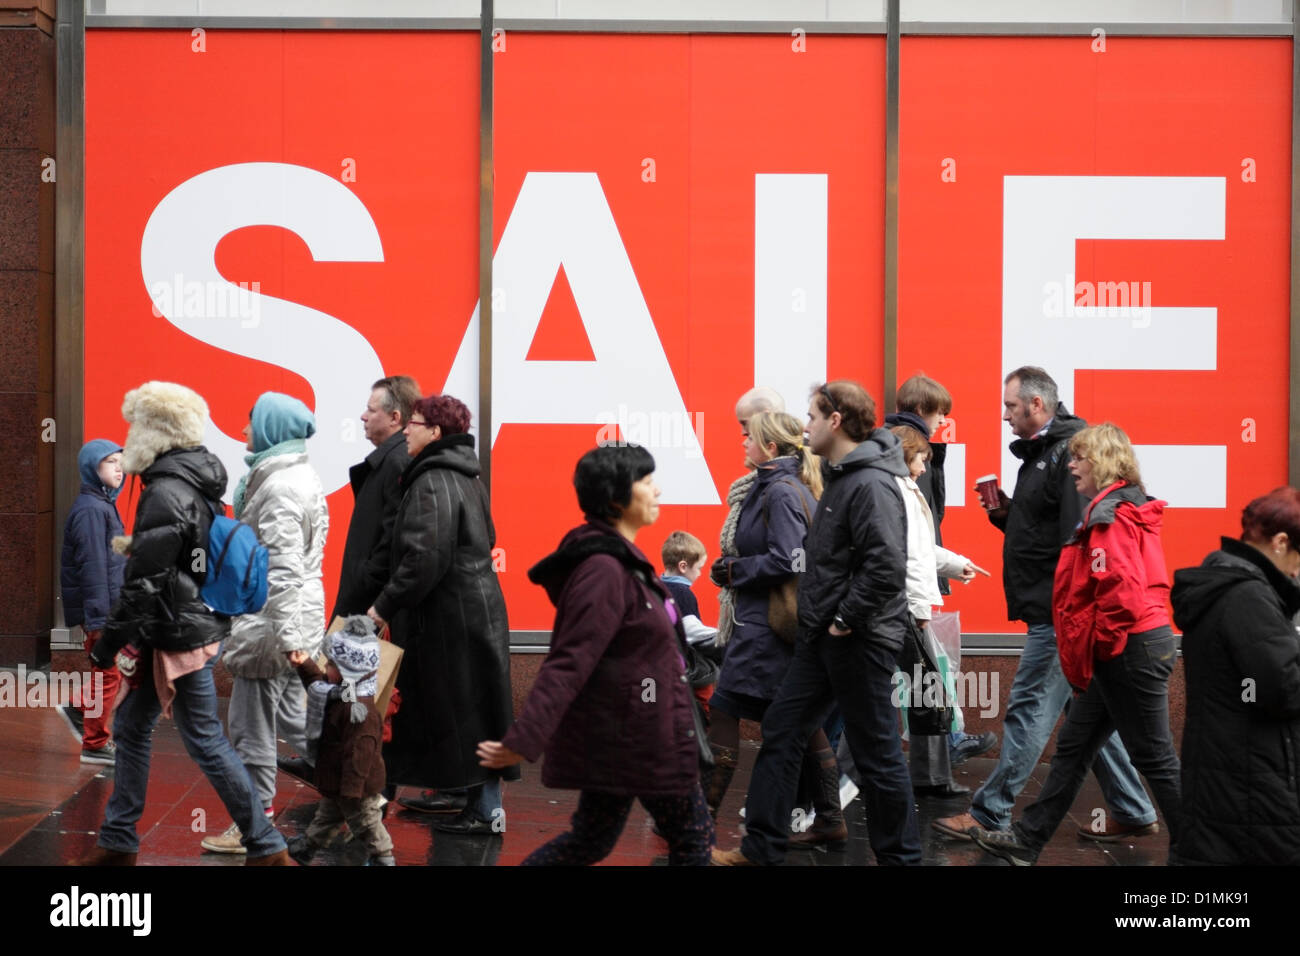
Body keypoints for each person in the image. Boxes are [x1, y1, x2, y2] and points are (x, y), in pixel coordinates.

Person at [935, 367, 1157, 843]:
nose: (1005, 415)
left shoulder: (1066, 453)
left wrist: (1071, 613)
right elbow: (1046, 532)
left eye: (1011, 406)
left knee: (1030, 707)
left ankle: (991, 811)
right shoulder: (1043, 456)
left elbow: (1077, 543)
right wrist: (1006, 514)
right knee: (1086, 718)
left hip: (1060, 614)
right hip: (1055, 609)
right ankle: (1133, 808)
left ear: (1037, 405)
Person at [74, 381, 288, 865]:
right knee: (132, 725)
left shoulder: (165, 490)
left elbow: (144, 582)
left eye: (138, 428)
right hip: (176, 627)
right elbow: (179, 562)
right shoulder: (192, 480)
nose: (130, 440)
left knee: (205, 740)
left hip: (173, 630)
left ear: (157, 432)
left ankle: (267, 845)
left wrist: (108, 645)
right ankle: (117, 841)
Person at [712, 381, 921, 866]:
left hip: (858, 640)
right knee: (783, 731)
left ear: (836, 421)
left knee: (879, 756)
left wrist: (845, 620)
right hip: (821, 640)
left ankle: (903, 860)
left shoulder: (869, 484)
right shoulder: (841, 476)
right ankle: (761, 848)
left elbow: (885, 566)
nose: (803, 426)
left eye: (811, 416)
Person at [476, 443, 714, 865]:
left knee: (590, 841)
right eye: (646, 481)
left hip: (637, 733)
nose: (657, 491)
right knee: (692, 843)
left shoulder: (623, 563)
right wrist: (524, 739)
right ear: (616, 496)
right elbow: (568, 662)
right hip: (640, 737)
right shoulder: (604, 570)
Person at [971, 424, 1181, 865]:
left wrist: (1098, 649)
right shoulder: (1122, 504)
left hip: (1127, 649)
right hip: (1127, 647)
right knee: (1073, 749)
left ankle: (1201, 846)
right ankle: (1027, 841)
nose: (1072, 465)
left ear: (1101, 461)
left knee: (1155, 756)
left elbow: (1119, 594)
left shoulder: (1108, 515)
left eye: (1080, 458)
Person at [368, 393, 517, 835]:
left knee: (459, 708)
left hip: (450, 619)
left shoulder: (432, 479)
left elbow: (423, 559)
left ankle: (485, 811)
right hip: (475, 610)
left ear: (434, 432)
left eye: (413, 423)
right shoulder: (466, 476)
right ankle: (474, 800)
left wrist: (383, 606)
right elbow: (487, 535)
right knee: (473, 707)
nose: (406, 430)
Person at [704, 410, 843, 848]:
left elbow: (787, 559)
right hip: (769, 629)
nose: (742, 442)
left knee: (726, 709)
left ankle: (700, 821)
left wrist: (733, 570)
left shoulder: (780, 491)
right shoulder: (782, 486)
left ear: (770, 447)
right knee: (799, 723)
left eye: (750, 437)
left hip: (767, 632)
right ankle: (830, 820)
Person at [202, 391, 328, 854]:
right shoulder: (296, 475)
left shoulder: (278, 487)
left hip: (271, 627)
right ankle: (360, 790)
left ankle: (255, 825)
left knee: (251, 729)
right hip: (287, 622)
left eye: (252, 422)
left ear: (272, 428)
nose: (244, 431)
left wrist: (291, 640)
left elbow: (283, 570)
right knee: (298, 720)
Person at [1167, 486, 1300, 865]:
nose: (1297, 569)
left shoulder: (1225, 586)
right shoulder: (1247, 597)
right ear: (1280, 542)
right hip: (1250, 778)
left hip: (1226, 770)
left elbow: (1250, 684)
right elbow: (1277, 689)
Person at [884, 373, 996, 769]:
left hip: (908, 591)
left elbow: (918, 538)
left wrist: (950, 565)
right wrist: (922, 598)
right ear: (919, 410)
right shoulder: (905, 460)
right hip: (905, 595)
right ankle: (947, 742)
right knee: (923, 673)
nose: (941, 423)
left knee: (916, 674)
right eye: (937, 414)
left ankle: (941, 750)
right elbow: (911, 542)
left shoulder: (908, 455)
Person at [285, 618, 395, 867]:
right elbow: (318, 685)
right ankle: (306, 848)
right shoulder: (340, 692)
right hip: (338, 779)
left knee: (365, 821)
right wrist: (304, 664)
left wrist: (351, 792)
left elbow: (360, 756)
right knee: (327, 816)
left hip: (356, 786)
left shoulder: (359, 712)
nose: (326, 667)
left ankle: (383, 857)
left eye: (331, 664)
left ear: (349, 672)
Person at [60, 439, 126, 764]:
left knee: (109, 671)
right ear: (92, 468)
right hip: (102, 612)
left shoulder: (101, 504)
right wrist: (101, 620)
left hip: (107, 609)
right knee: (108, 674)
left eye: (120, 461)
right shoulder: (92, 510)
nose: (119, 468)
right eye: (110, 462)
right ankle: (95, 742)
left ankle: (80, 706)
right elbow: (94, 569)